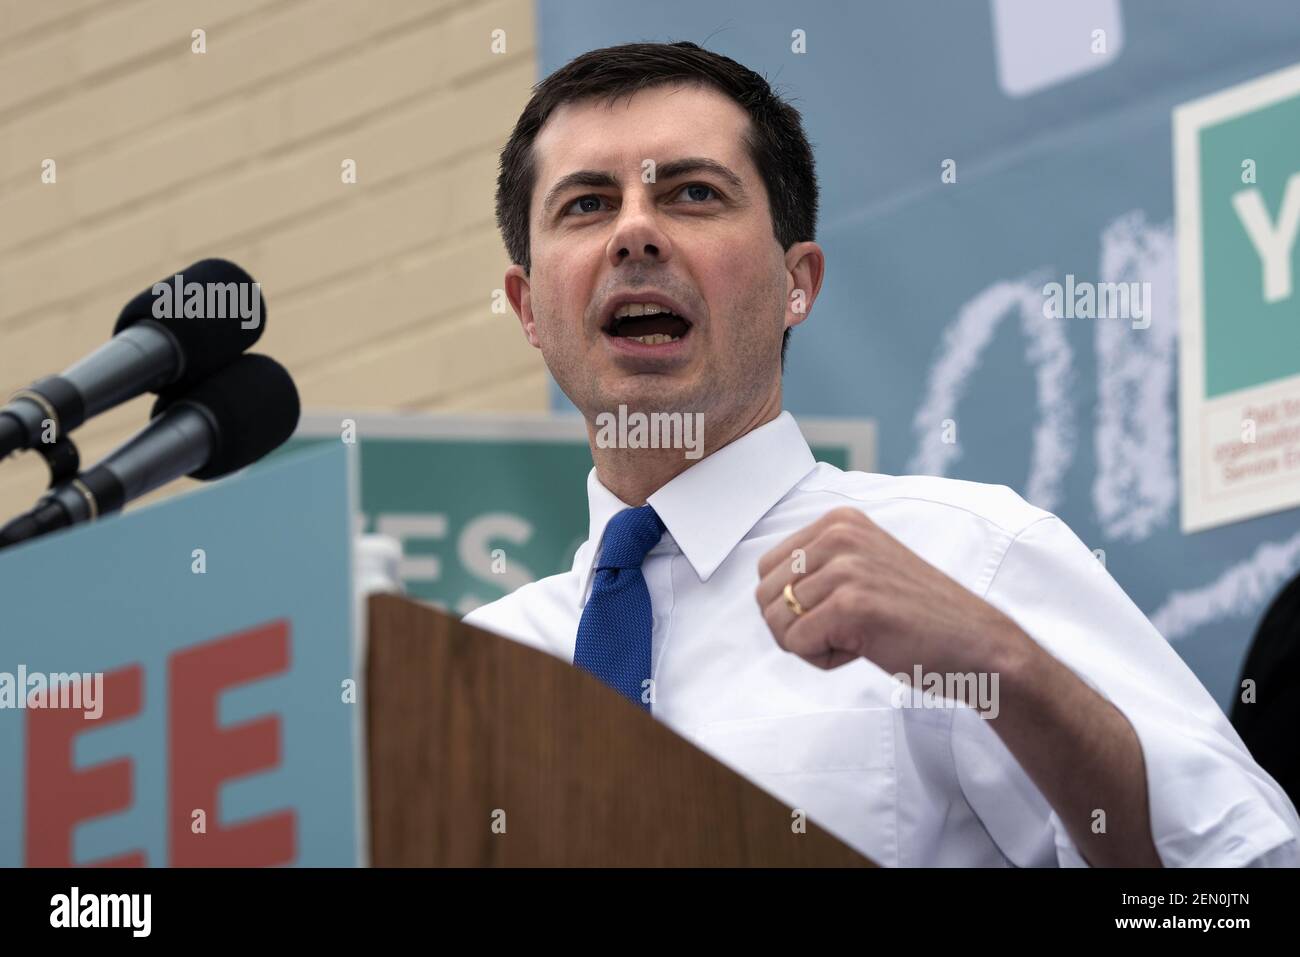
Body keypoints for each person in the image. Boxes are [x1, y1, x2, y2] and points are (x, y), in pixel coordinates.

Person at [463, 40, 1300, 867]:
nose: (635, 233)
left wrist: (1006, 667)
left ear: (800, 283)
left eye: (691, 193)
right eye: (586, 205)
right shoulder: (468, 679)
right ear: (528, 307)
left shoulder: (973, 558)